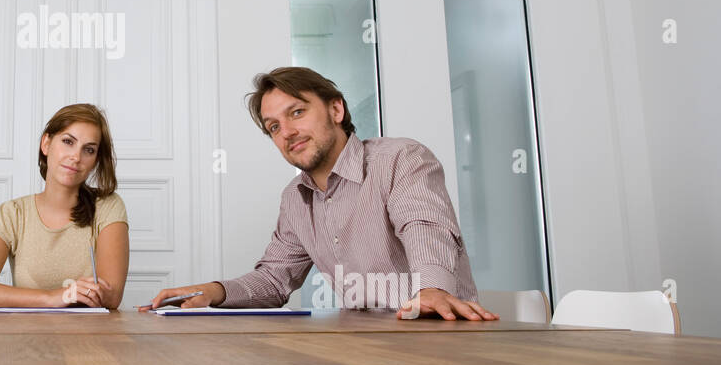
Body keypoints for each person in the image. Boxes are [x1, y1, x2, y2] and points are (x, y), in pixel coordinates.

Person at [143, 67, 498, 321]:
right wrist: (213, 291)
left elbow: (425, 228)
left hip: (438, 333)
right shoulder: (295, 198)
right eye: (274, 127)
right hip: (365, 344)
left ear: (336, 109)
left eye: (297, 112)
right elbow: (274, 279)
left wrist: (432, 289)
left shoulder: (400, 159)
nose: (287, 132)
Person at [0, 104, 128, 309]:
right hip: (28, 337)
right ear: (46, 143)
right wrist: (52, 297)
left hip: (89, 337)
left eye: (89, 150)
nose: (76, 157)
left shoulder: (108, 207)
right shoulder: (13, 214)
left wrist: (102, 295)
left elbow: (112, 297)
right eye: (68, 142)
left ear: (95, 161)